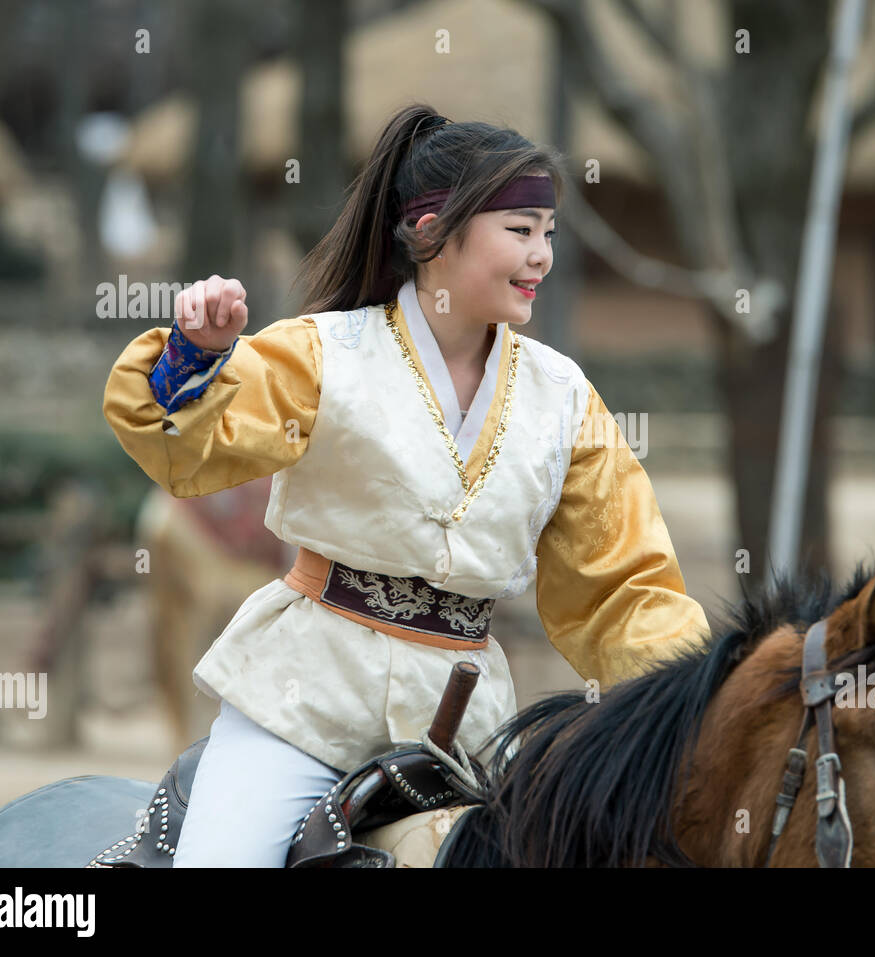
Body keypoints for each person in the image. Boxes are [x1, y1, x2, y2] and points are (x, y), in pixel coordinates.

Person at [102, 106, 711, 866]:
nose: (542, 256)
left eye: (548, 233)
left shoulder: (566, 399)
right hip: (298, 707)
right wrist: (196, 353)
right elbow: (187, 446)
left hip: (465, 734)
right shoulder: (326, 354)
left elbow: (623, 590)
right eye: (519, 230)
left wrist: (701, 705)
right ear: (430, 232)